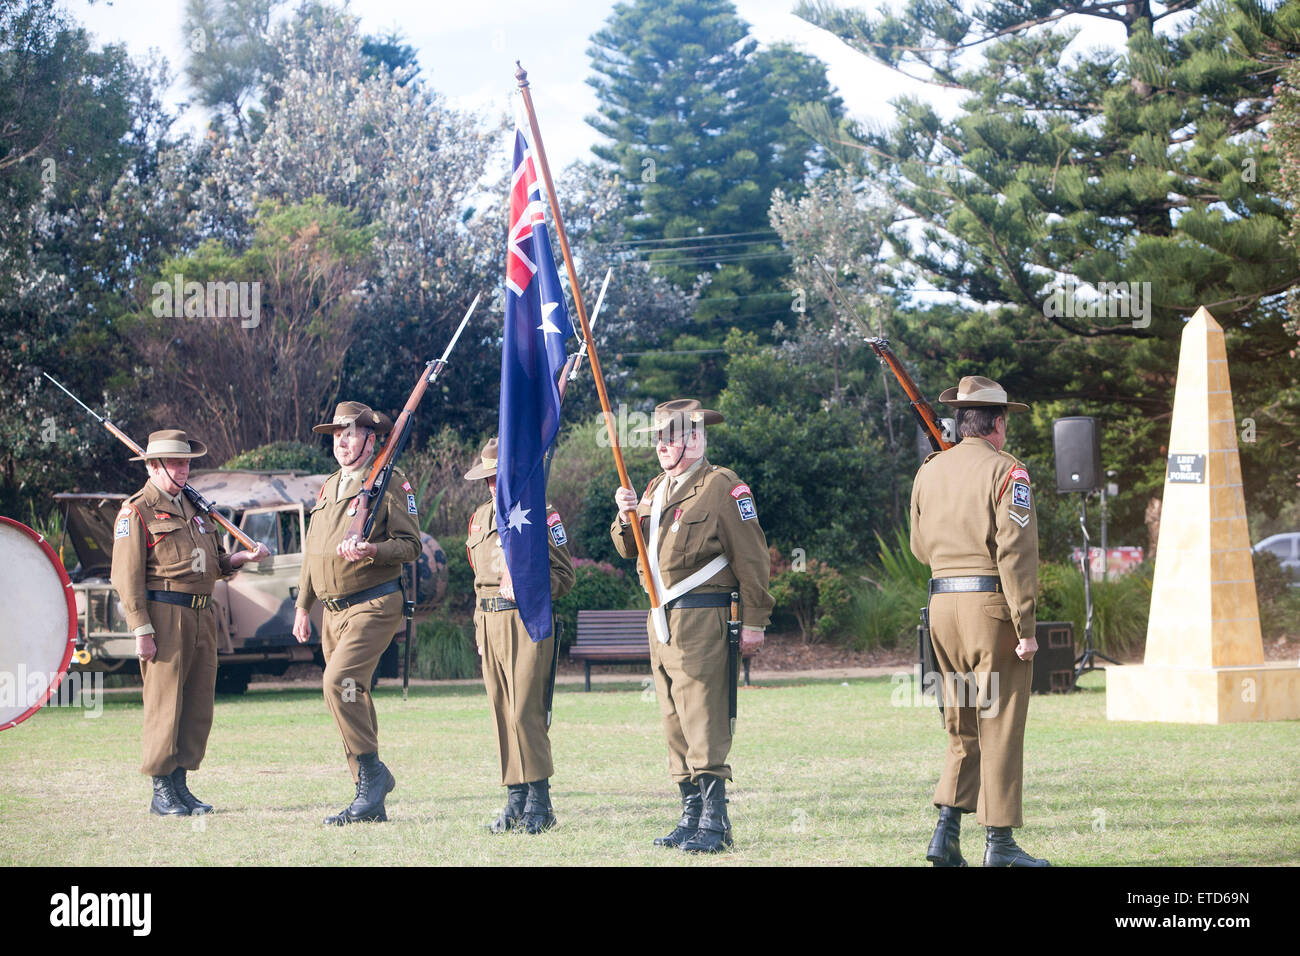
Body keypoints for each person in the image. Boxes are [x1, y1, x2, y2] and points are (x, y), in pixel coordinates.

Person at [610, 400, 773, 853]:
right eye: (659, 438)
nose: (662, 446)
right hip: (661, 619)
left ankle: (716, 823)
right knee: (673, 720)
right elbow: (631, 550)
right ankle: (691, 815)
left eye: (672, 437)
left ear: (696, 439)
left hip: (704, 617)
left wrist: (756, 621)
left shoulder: (723, 487)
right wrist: (626, 514)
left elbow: (753, 559)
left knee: (703, 717)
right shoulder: (655, 489)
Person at [909, 376, 1050, 867]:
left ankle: (946, 835)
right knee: (1001, 725)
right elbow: (1015, 553)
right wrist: (1026, 627)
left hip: (942, 609)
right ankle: (1000, 846)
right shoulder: (1008, 472)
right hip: (991, 610)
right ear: (999, 423)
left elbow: (918, 547)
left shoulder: (929, 471)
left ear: (960, 422)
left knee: (961, 723)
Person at [110, 429, 269, 816]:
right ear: (152, 465)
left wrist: (241, 561)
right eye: (175, 463)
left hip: (202, 613)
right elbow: (125, 576)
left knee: (197, 705)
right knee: (165, 704)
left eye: (186, 463)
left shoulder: (197, 510)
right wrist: (141, 630)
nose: (183, 470)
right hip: (164, 616)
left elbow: (215, 564)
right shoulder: (137, 511)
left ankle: (180, 785)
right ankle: (161, 789)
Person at [292, 402, 421, 825]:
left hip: (374, 602)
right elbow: (313, 552)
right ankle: (369, 798)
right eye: (336, 435)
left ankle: (372, 774)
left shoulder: (390, 482)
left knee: (339, 681)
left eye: (349, 433)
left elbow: (411, 545)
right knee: (351, 694)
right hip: (332, 613)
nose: (342, 442)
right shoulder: (329, 486)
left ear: (371, 438)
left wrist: (373, 549)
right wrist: (302, 605)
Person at [463, 438, 575, 833]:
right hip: (490, 624)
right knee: (501, 713)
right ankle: (516, 799)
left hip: (527, 622)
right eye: (488, 480)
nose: (494, 486)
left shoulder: (541, 512)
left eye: (499, 477)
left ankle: (540, 803)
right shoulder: (478, 518)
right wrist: (480, 627)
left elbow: (564, 576)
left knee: (526, 710)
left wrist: (526, 583)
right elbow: (478, 581)